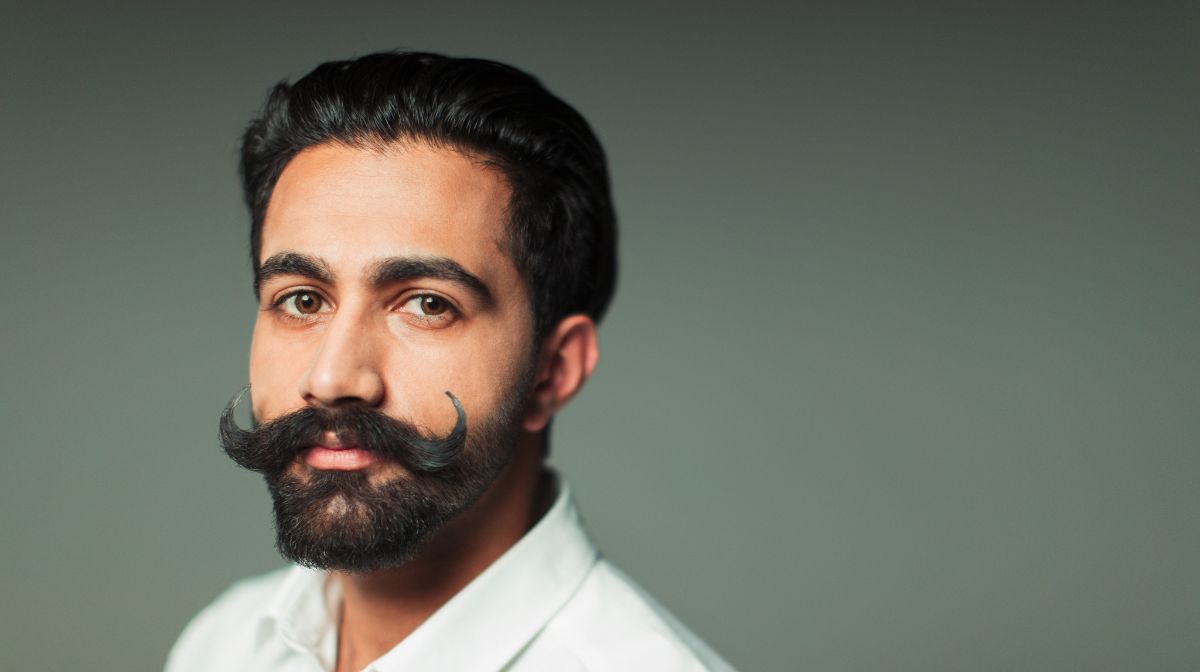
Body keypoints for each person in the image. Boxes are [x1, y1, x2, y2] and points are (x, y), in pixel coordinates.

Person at [165, 51, 734, 672]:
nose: (330, 379)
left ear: (554, 370)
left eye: (427, 304)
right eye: (303, 300)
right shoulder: (221, 645)